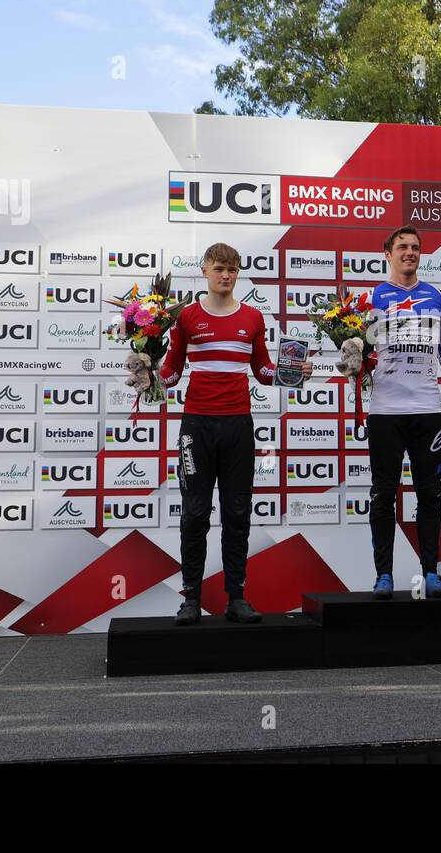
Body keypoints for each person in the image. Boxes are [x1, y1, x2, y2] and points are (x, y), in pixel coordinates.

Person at [324, 225, 441, 600]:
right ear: (388, 253)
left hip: (427, 410)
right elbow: (360, 352)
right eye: (402, 247)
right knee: (383, 494)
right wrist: (351, 361)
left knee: (430, 493)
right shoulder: (371, 297)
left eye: (415, 247)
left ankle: (431, 573)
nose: (410, 252)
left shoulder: (438, 296)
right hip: (385, 411)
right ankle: (383, 575)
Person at [156, 243, 275, 626]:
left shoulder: (253, 317)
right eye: (220, 268)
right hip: (197, 426)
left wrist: (293, 372)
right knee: (194, 515)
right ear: (205, 270)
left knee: (238, 514)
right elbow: (171, 375)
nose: (226, 275)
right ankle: (190, 599)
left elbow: (263, 371)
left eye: (233, 270)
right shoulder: (186, 317)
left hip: (239, 424)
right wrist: (148, 372)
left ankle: (236, 598)